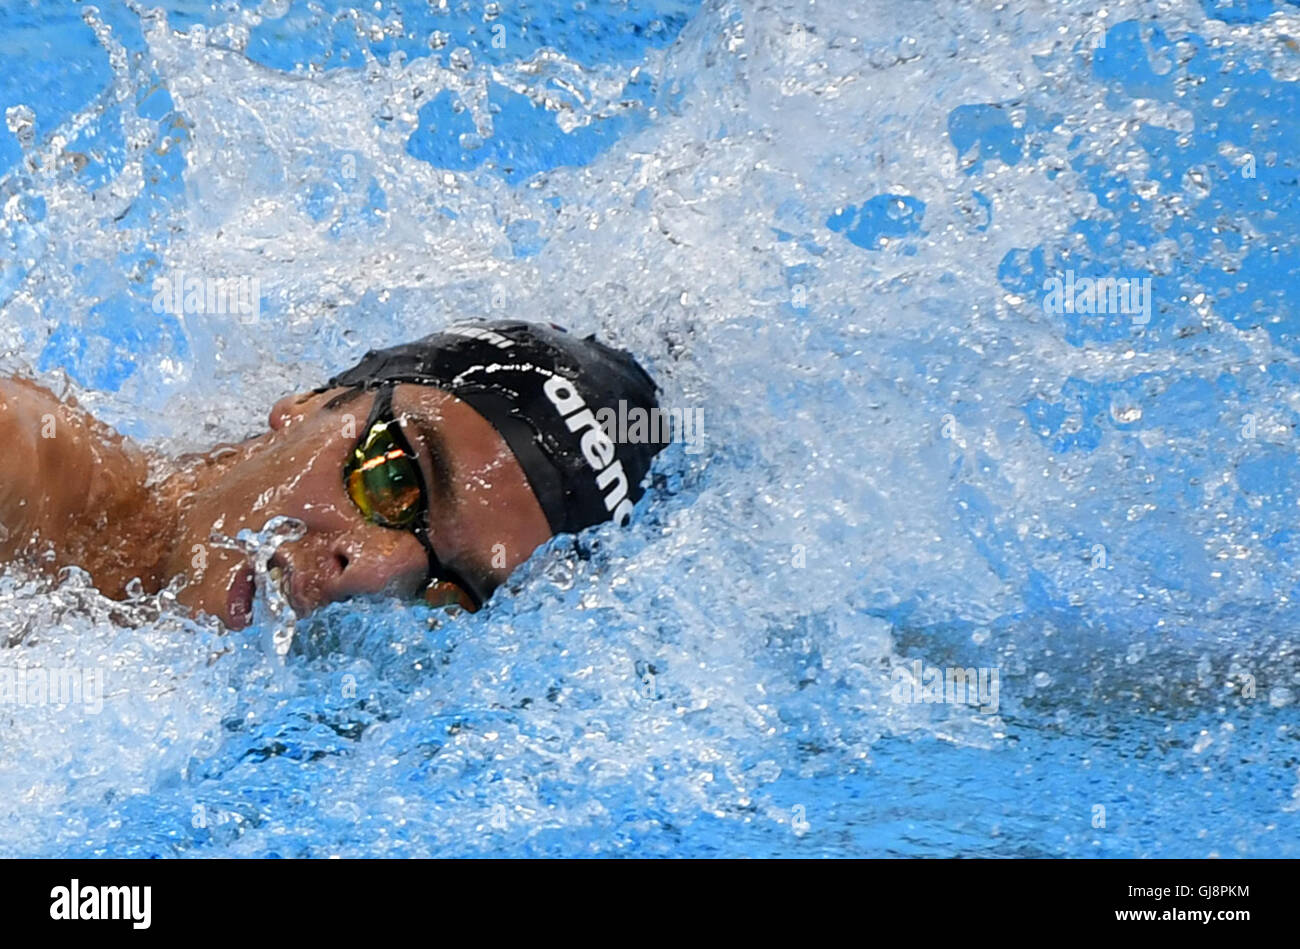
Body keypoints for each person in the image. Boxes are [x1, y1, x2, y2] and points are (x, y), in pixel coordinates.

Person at [0, 320, 666, 628]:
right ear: (312, 401)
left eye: (446, 592)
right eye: (392, 478)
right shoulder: (20, 468)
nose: (374, 573)